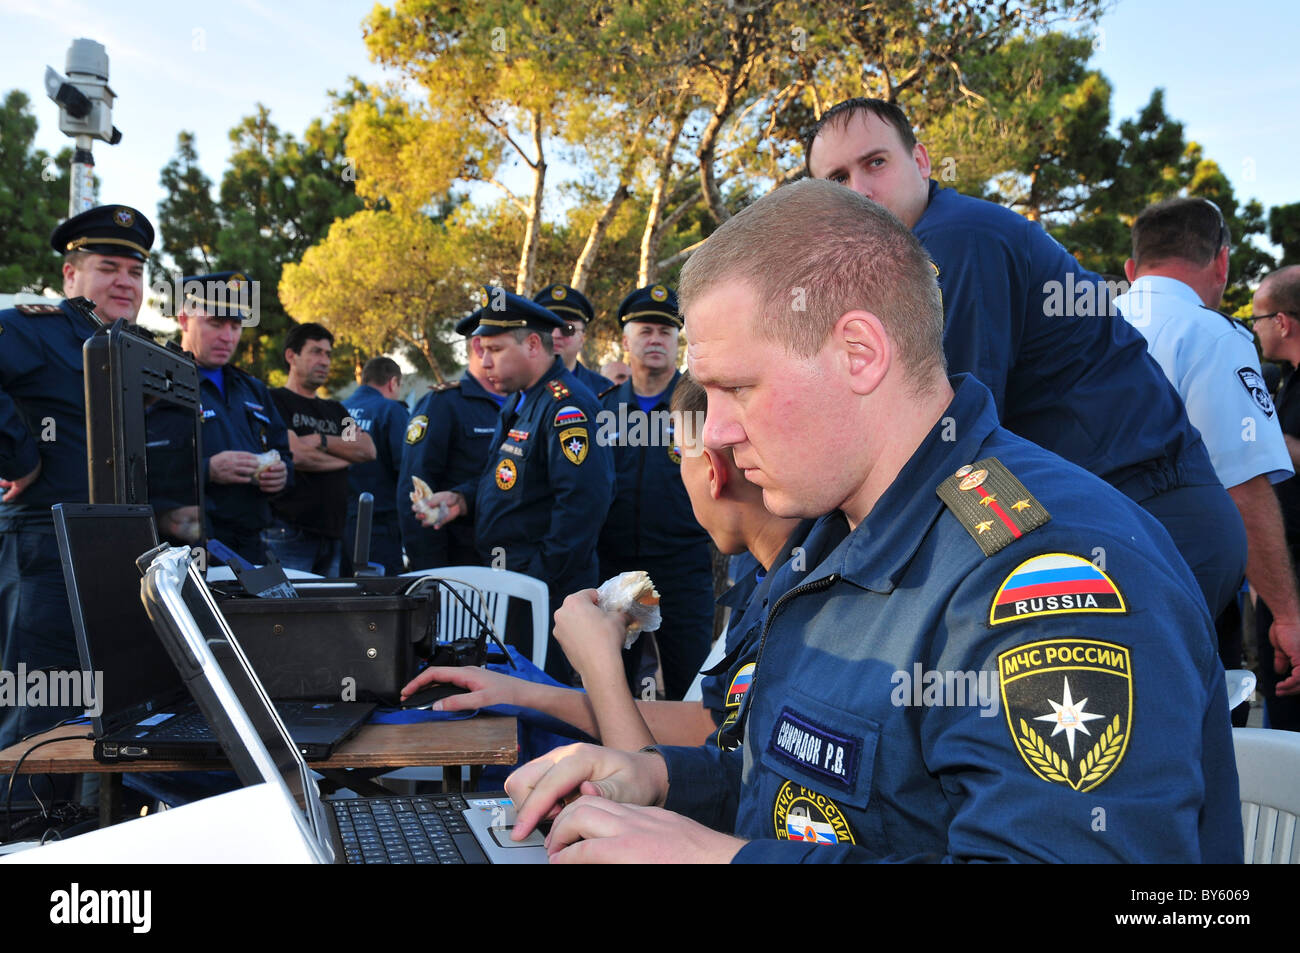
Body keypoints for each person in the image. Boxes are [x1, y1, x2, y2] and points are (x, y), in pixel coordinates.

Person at [503, 179, 1241, 864]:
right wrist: (660, 781)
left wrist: (717, 858)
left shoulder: (1050, 572)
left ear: (860, 353)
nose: (716, 433)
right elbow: (808, 802)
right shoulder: (831, 535)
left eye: (736, 387)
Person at [804, 98, 1246, 618]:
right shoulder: (910, 257)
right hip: (1119, 518)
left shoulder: (953, 241)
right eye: (836, 179)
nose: (859, 190)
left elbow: (944, 438)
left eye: (875, 162)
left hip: (1148, 519)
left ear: (921, 162)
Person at [401, 371, 804, 749]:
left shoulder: (798, 607)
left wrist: (599, 663)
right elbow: (711, 725)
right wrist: (526, 694)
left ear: (713, 472)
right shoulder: (777, 581)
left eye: (681, 453)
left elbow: (667, 776)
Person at [1115, 198, 1298, 720]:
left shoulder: (1083, 331)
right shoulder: (1212, 335)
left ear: (1132, 269)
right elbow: (1242, 488)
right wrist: (1286, 614)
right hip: (1185, 599)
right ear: (1221, 263)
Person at [0, 205, 153, 747]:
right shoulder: (32, 328)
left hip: (121, 550)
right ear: (71, 275)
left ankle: (80, 831)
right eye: (109, 266)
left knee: (111, 717)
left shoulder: (135, 350)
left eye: (135, 272)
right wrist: (19, 457)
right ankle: (18, 831)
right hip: (47, 543)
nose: (125, 281)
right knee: (37, 720)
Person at [416, 289, 614, 683]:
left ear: (534, 345)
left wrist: (535, 579)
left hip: (545, 592)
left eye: (495, 349)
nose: (483, 361)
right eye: (481, 349)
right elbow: (507, 478)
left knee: (542, 697)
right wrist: (461, 500)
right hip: (514, 584)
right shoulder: (521, 401)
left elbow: (582, 505)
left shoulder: (566, 405)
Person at [597, 285, 714, 701]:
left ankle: (693, 765)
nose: (655, 340)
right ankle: (619, 762)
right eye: (645, 330)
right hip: (614, 568)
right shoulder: (601, 408)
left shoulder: (701, 405)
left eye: (666, 332)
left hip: (683, 566)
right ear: (626, 340)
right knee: (614, 685)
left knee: (695, 683)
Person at [176, 271, 292, 565]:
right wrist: (207, 470)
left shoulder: (253, 389)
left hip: (252, 543)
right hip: (187, 546)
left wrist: (282, 474)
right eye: (215, 324)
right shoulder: (158, 381)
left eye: (235, 325)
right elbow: (133, 469)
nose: (227, 337)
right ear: (184, 320)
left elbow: (283, 450)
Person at [398, 316, 508, 570]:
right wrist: (431, 574)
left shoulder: (521, 403)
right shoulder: (443, 404)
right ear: (480, 348)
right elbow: (415, 492)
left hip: (510, 561)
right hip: (460, 564)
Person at [269, 323, 375, 576]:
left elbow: (367, 449)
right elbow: (296, 455)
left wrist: (321, 440)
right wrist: (345, 458)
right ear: (291, 356)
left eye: (328, 354)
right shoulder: (274, 401)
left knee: (327, 613)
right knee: (286, 613)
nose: (325, 361)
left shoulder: (336, 411)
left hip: (334, 535)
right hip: (288, 534)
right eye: (316, 352)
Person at [1249, 264, 1300, 729]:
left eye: (1258, 320)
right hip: (1283, 566)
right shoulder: (1284, 379)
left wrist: (1262, 437)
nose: (1255, 331)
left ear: (1282, 322)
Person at [341, 357, 407, 575]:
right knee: (383, 595)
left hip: (344, 523)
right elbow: (406, 467)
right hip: (381, 524)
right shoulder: (391, 410)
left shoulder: (340, 409)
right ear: (392, 382)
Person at [534, 284, 612, 397]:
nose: (555, 335)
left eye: (567, 329)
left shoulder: (604, 391)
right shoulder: (513, 385)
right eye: (548, 327)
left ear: (582, 339)